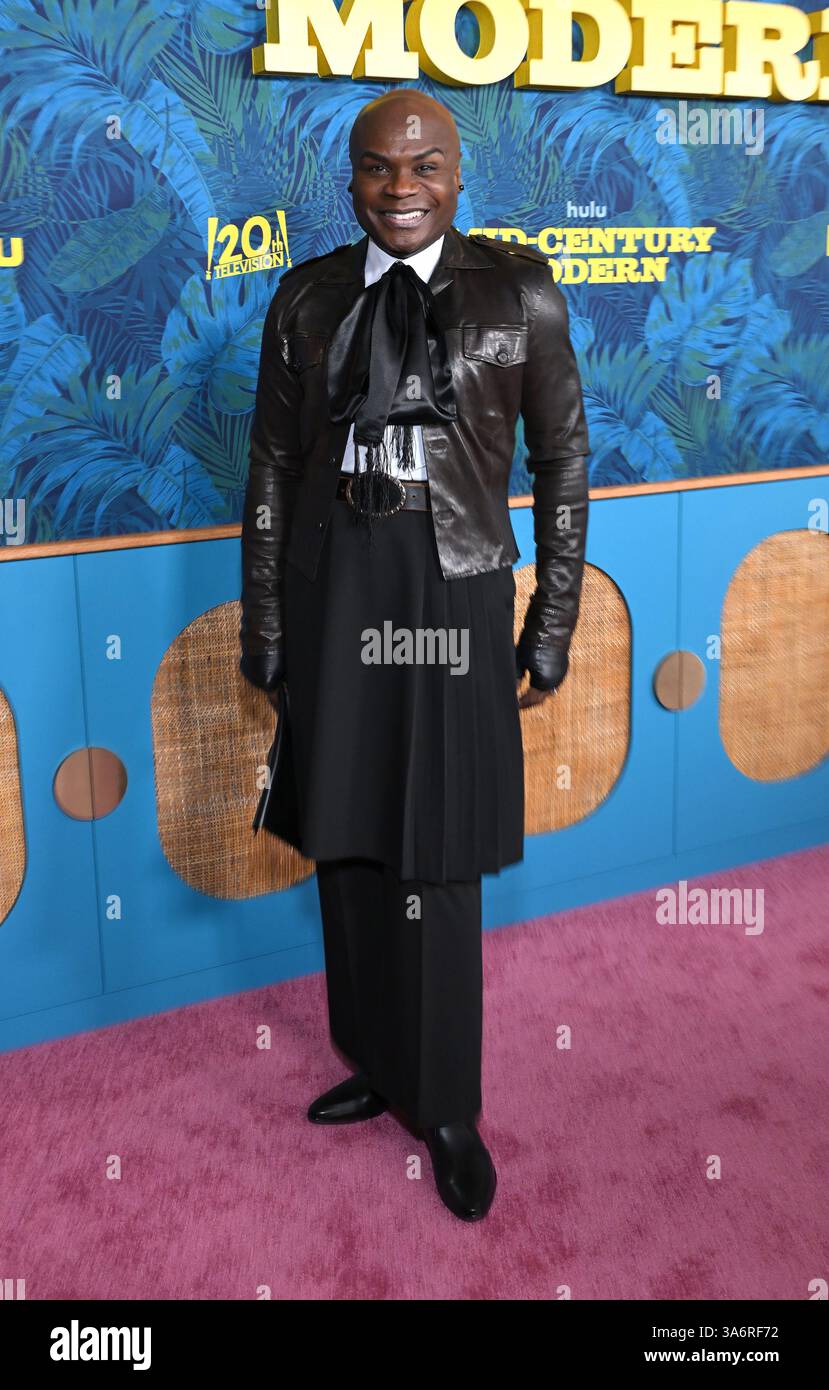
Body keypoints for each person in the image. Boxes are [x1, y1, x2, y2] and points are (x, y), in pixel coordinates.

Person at [240, 89, 589, 1222]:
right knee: (349, 844)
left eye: (424, 165)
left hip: (450, 596)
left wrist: (550, 624)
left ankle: (443, 1104)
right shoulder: (305, 298)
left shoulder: (518, 290)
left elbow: (565, 467)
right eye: (379, 168)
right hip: (334, 590)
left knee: (432, 856)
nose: (402, 187)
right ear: (349, 180)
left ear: (456, 174)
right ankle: (376, 1060)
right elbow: (268, 476)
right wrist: (267, 624)